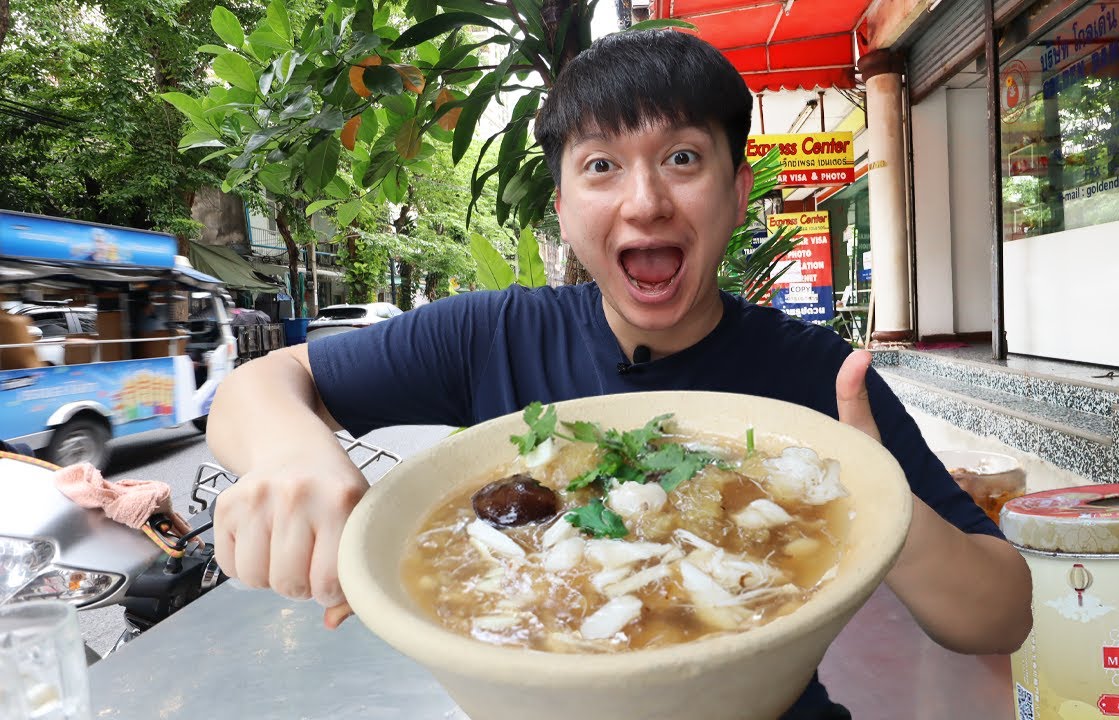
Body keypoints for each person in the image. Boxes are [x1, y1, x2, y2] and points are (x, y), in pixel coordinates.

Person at [207, 29, 1032, 717]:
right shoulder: (492, 334)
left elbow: (1000, 615)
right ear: (563, 208)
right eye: (601, 166)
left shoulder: (818, 377)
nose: (644, 202)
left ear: (738, 191)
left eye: (681, 157)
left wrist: (874, 488)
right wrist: (292, 455)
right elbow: (259, 384)